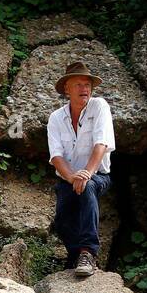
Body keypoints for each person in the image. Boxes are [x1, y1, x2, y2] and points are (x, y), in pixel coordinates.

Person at [46, 60, 115, 276]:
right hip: (68, 177)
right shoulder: (56, 118)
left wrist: (87, 173)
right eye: (78, 84)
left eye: (87, 84)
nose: (84, 89)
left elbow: (101, 144)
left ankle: (88, 253)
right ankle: (75, 255)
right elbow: (56, 156)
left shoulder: (99, 106)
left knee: (87, 188)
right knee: (62, 220)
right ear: (67, 89)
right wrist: (71, 177)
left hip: (98, 175)